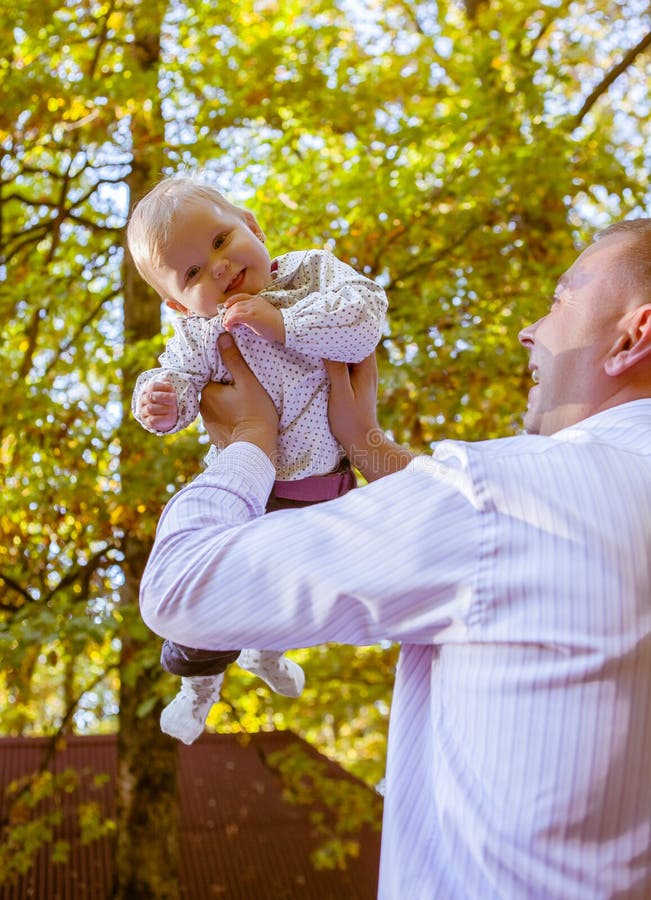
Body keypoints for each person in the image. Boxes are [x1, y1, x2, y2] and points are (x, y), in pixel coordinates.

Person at [140, 218, 651, 898]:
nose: (529, 331)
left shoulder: (506, 500)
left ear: (632, 337)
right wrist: (367, 444)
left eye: (559, 300)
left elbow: (180, 590)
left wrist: (250, 442)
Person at [127, 174, 387, 744]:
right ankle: (196, 691)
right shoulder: (201, 332)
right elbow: (182, 382)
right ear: (177, 302)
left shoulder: (311, 275)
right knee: (215, 609)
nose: (217, 267)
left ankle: (266, 657)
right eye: (192, 272)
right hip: (254, 495)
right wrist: (161, 400)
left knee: (291, 590)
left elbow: (366, 322)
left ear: (252, 225)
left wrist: (284, 323)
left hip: (329, 489)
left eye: (220, 241)